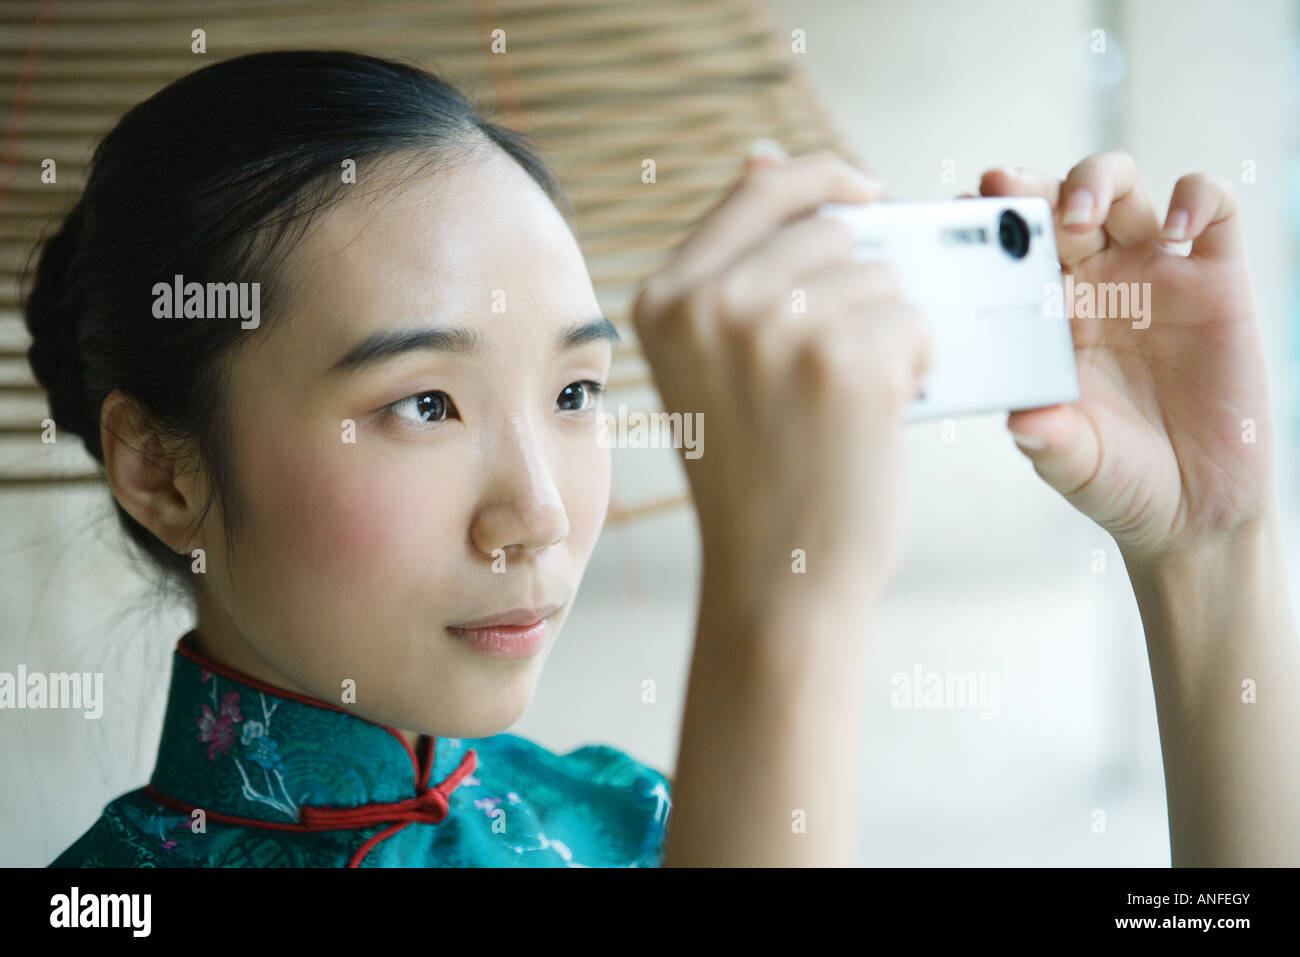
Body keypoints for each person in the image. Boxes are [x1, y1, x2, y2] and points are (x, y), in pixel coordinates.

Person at [30, 49, 1296, 868]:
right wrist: (782, 595)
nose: (535, 513)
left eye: (576, 388)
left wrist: (1205, 549)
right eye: (423, 404)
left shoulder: (628, 815)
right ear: (163, 470)